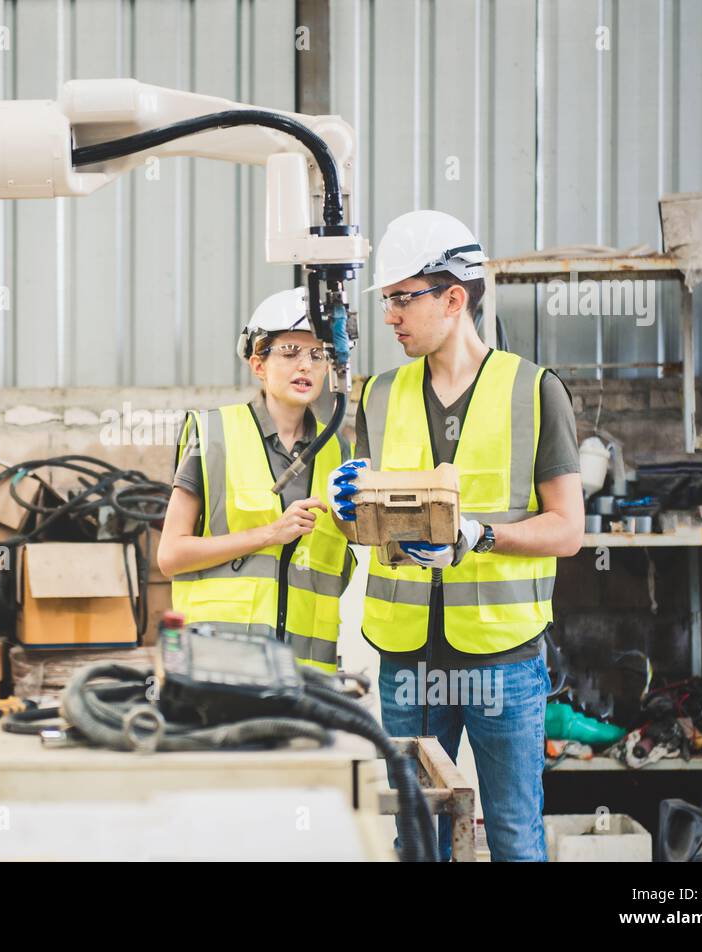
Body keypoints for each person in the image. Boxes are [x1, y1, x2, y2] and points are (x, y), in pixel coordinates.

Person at [330, 210, 584, 860]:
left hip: (503, 655)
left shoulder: (535, 391)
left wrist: (479, 536)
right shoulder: (379, 395)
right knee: (419, 834)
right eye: (386, 301)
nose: (389, 316)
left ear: (453, 297)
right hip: (406, 653)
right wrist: (344, 509)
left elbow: (568, 529)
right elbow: (372, 525)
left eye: (401, 299)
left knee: (512, 836)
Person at [158, 286, 353, 672]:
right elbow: (170, 556)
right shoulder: (213, 433)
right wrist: (269, 534)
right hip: (223, 664)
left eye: (317, 355)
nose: (306, 366)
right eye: (289, 352)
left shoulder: (338, 452)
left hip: (308, 671)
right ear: (257, 364)